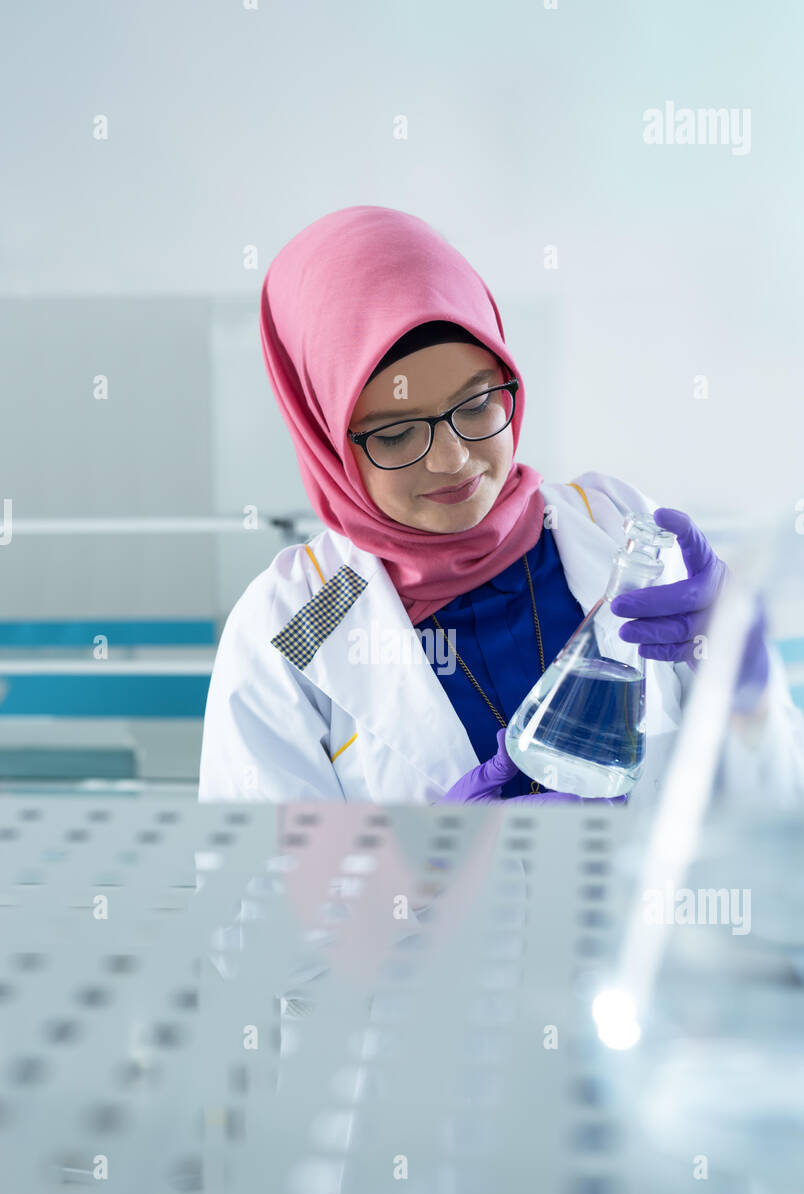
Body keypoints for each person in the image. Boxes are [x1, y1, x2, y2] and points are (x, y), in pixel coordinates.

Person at [198, 205, 804, 809]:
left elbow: (768, 816)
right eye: (395, 434)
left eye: (478, 403)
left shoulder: (615, 524)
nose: (454, 459)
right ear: (325, 439)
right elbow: (258, 891)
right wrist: (431, 880)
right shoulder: (300, 620)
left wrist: (750, 686)